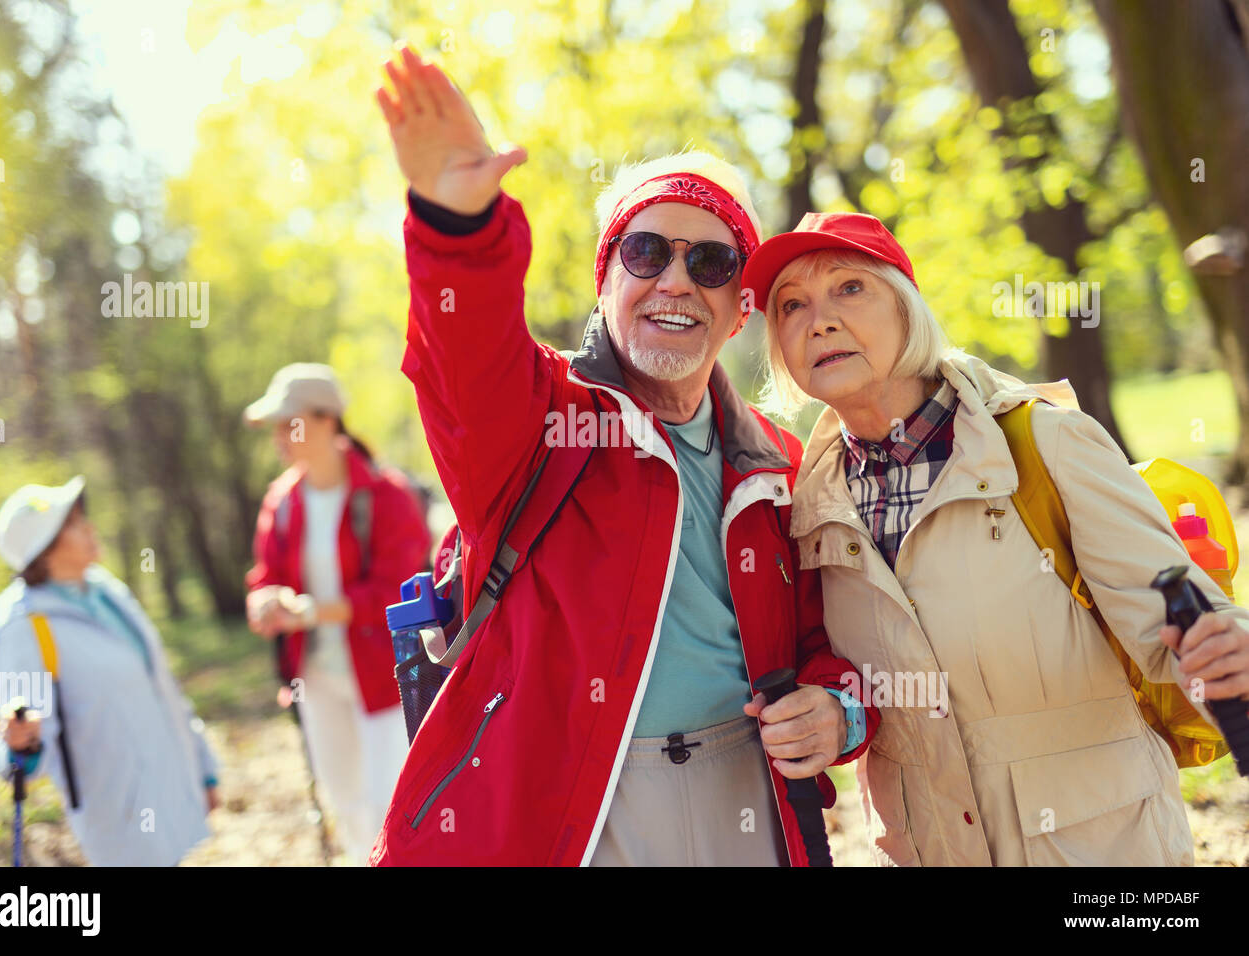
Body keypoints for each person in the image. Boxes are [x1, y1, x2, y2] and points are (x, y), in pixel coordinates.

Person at [368, 45, 878, 867]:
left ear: (738, 309)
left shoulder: (782, 464)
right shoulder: (538, 419)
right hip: (571, 810)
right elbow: (461, 354)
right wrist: (459, 229)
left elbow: (838, 638)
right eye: (647, 253)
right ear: (608, 281)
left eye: (709, 263)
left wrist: (839, 711)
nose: (676, 281)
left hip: (746, 801)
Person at [742, 210, 1249, 865]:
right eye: (791, 305)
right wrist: (836, 714)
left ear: (907, 308)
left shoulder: (1047, 446)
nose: (821, 321)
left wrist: (1228, 659)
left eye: (849, 288)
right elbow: (844, 681)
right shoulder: (802, 507)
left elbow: (1179, 638)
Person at [0, 476, 219, 866]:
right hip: (117, 814)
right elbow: (23, 740)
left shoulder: (108, 593)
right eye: (72, 523)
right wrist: (22, 743)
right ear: (44, 550)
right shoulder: (24, 628)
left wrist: (203, 770)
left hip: (169, 789)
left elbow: (163, 687)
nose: (89, 527)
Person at [243, 362, 431, 863]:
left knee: (390, 799)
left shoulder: (387, 495)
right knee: (345, 801)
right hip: (314, 679)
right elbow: (265, 575)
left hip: (383, 677)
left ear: (327, 421)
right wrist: (263, 601)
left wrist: (316, 612)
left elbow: (399, 590)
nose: (279, 437)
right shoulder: (281, 501)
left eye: (290, 423)